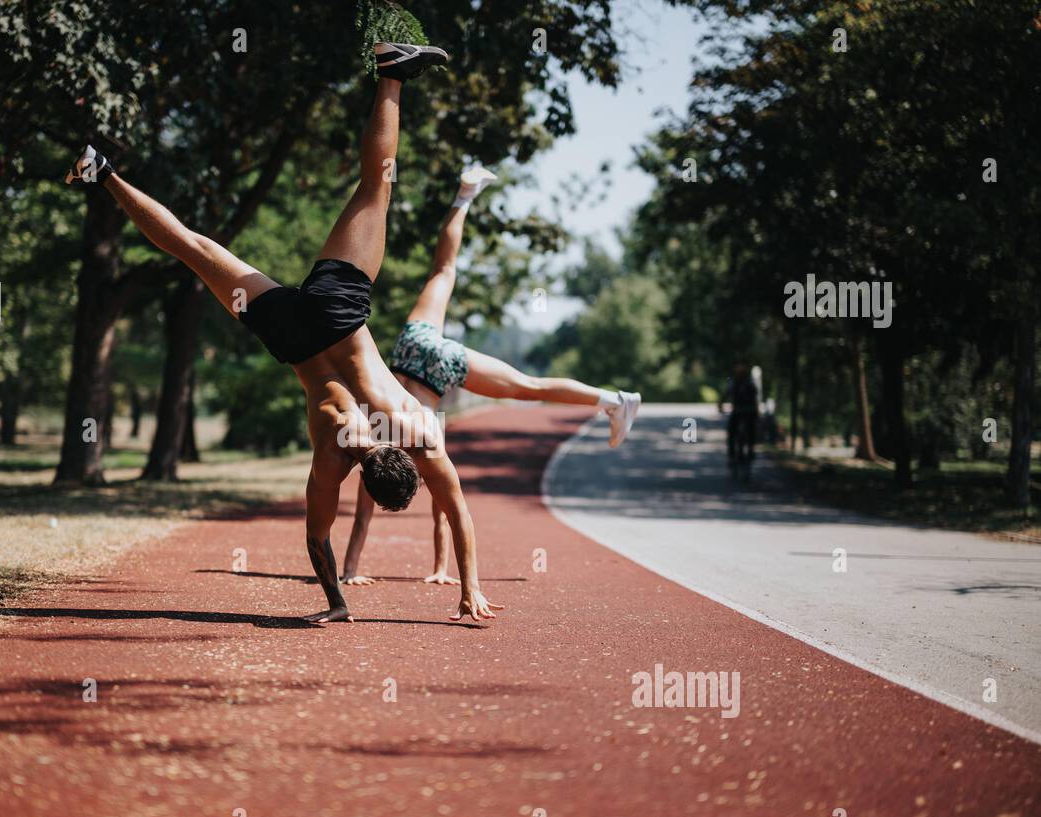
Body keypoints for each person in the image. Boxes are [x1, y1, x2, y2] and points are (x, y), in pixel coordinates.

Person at [64, 42, 502, 623]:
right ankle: (103, 172)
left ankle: (392, 76)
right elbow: (316, 542)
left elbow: (459, 512)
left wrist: (470, 584)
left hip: (336, 314)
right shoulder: (331, 457)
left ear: (401, 456)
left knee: (377, 188)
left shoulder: (417, 430)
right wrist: (336, 604)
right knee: (193, 250)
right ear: (365, 480)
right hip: (290, 337)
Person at [340, 168, 642, 586]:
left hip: (435, 369)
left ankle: (614, 401)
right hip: (413, 345)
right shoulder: (378, 441)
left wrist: (360, 570)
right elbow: (442, 507)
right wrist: (437, 569)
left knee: (526, 387)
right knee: (442, 271)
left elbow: (427, 509)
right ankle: (464, 193)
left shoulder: (406, 447)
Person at [718, 362, 760, 469]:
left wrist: (720, 405)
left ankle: (738, 454)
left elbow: (725, 395)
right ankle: (748, 451)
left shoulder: (739, 383)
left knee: (733, 433)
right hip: (746, 412)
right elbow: (756, 400)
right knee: (747, 432)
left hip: (742, 412)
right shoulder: (748, 383)